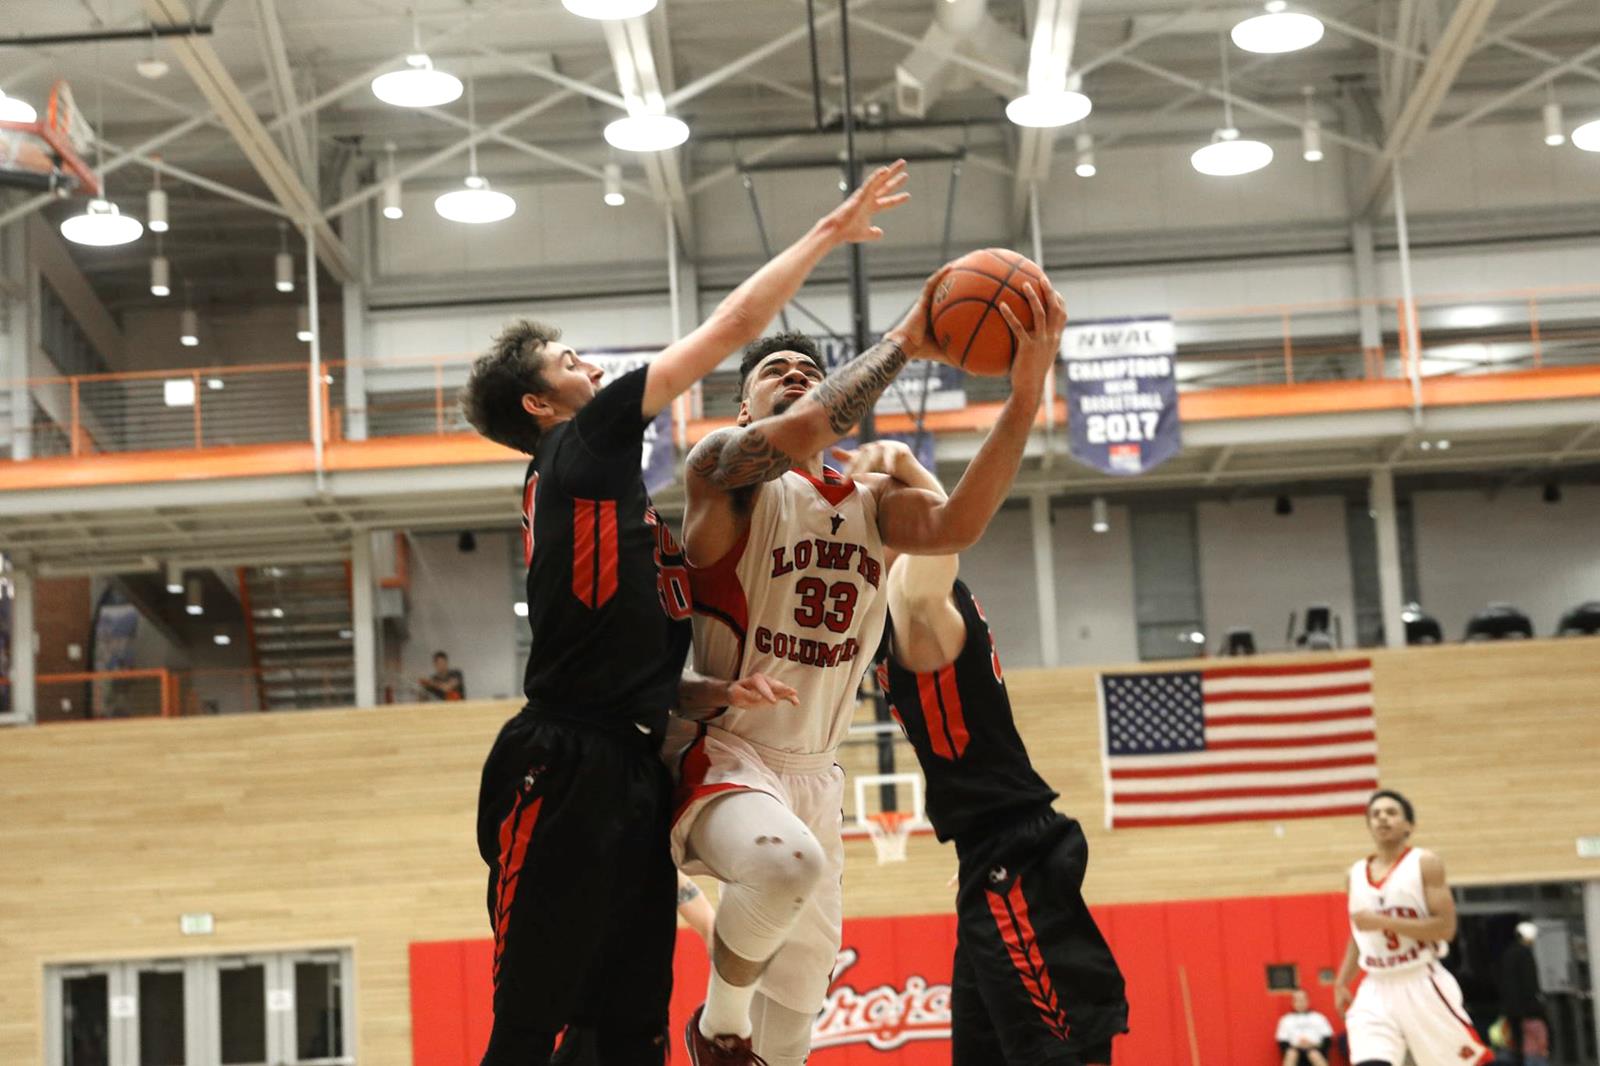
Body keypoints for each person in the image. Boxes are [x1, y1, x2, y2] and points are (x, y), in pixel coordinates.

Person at [460, 159, 911, 1066]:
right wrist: (830, 232)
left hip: (633, 757)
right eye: (567, 362)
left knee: (629, 1021)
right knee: (530, 1017)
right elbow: (733, 325)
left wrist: (706, 693)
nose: (591, 363)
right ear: (541, 404)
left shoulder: (615, 497)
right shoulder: (583, 446)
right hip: (560, 756)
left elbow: (622, 640)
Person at [670, 276, 1067, 1066]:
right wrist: (902, 344)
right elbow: (806, 426)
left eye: (807, 369)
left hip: (816, 771)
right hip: (722, 749)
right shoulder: (724, 471)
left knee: (801, 1003)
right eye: (772, 368)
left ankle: (752, 1043)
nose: (794, 372)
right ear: (746, 410)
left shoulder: (874, 504)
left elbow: (962, 523)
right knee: (786, 867)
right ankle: (716, 1031)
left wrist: (1023, 395)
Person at [848, 439, 1126, 1066]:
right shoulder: (878, 616)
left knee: (1058, 1048)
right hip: (988, 857)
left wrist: (910, 472)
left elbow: (934, 554)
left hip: (1015, 853)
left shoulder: (914, 604)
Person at [1334, 789, 1493, 1066]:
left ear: (1409, 825)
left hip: (1420, 981)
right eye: (1376, 814)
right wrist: (1342, 980)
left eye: (1391, 812)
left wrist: (1382, 921)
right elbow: (1360, 935)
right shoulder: (1355, 874)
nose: (1382, 818)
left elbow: (1445, 928)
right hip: (1375, 986)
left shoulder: (1424, 863)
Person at [1497, 922, 1548, 1066]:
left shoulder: (1507, 953)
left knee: (1518, 1044)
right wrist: (1535, 1006)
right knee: (1532, 1046)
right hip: (1527, 1010)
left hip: (1512, 1009)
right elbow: (1529, 983)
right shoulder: (1524, 954)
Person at [1276, 989, 1335, 1066]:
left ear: (1308, 1001)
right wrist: (1297, 1046)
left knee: (1314, 1054)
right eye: (1297, 1000)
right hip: (1295, 1049)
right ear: (1293, 1002)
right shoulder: (1286, 1020)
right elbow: (1282, 1043)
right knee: (1291, 1054)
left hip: (1316, 1049)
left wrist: (1313, 1045)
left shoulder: (1318, 1017)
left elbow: (1328, 1040)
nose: (1300, 1003)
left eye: (1302, 1000)